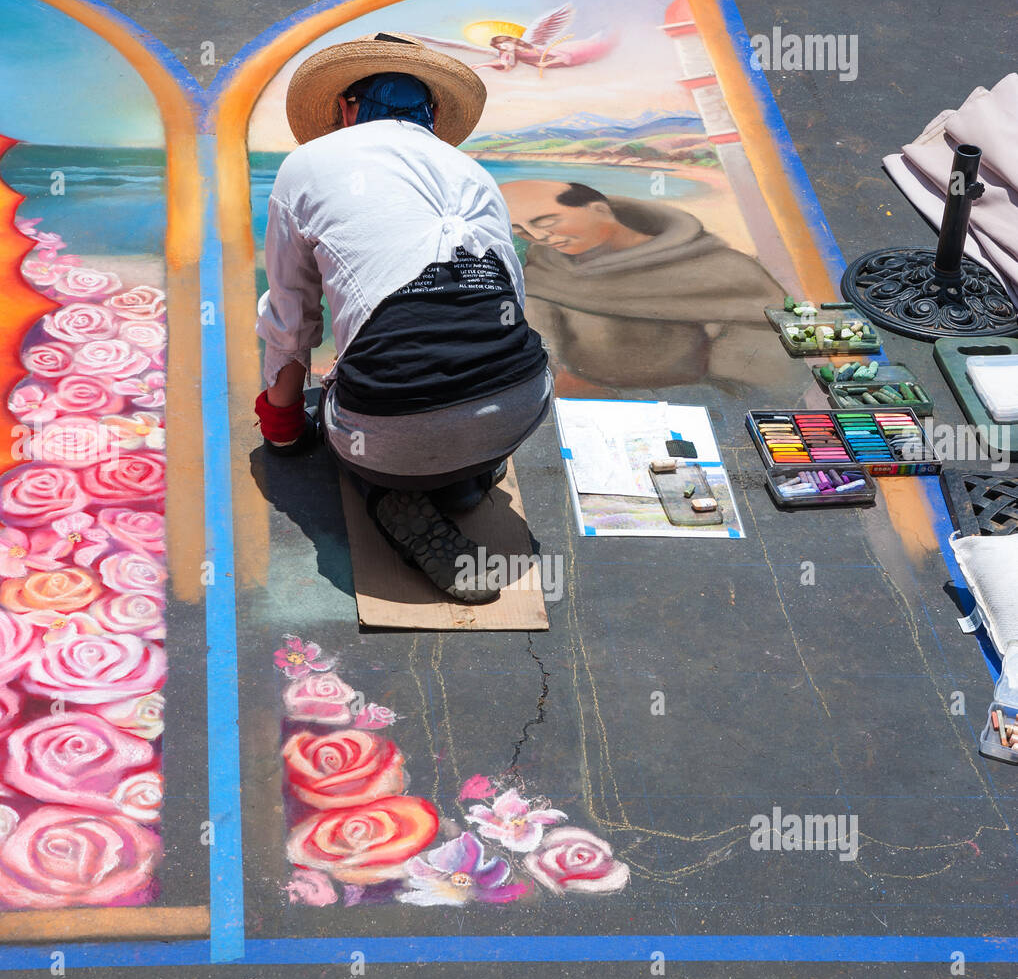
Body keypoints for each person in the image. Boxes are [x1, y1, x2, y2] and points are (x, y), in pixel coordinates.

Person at [255, 33, 550, 604]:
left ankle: (389, 492)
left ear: (345, 109)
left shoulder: (308, 163)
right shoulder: (474, 172)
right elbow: (505, 300)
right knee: (449, 392)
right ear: (434, 115)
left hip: (393, 424)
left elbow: (290, 315)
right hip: (519, 402)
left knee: (368, 411)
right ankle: (462, 475)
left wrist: (284, 425)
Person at [501, 179, 789, 390]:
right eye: (520, 230)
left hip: (700, 407)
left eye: (548, 220)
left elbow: (766, 365)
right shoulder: (544, 271)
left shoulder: (724, 270)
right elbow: (534, 338)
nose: (539, 236)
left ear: (600, 209)